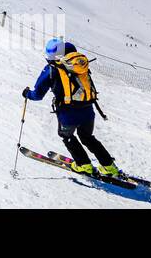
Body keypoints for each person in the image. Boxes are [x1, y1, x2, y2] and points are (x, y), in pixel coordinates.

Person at [22, 37, 121, 178]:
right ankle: (109, 167)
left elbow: (38, 95)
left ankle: (84, 165)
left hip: (68, 112)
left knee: (66, 135)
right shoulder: (79, 64)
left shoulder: (52, 69)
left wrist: (27, 94)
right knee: (87, 137)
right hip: (88, 110)